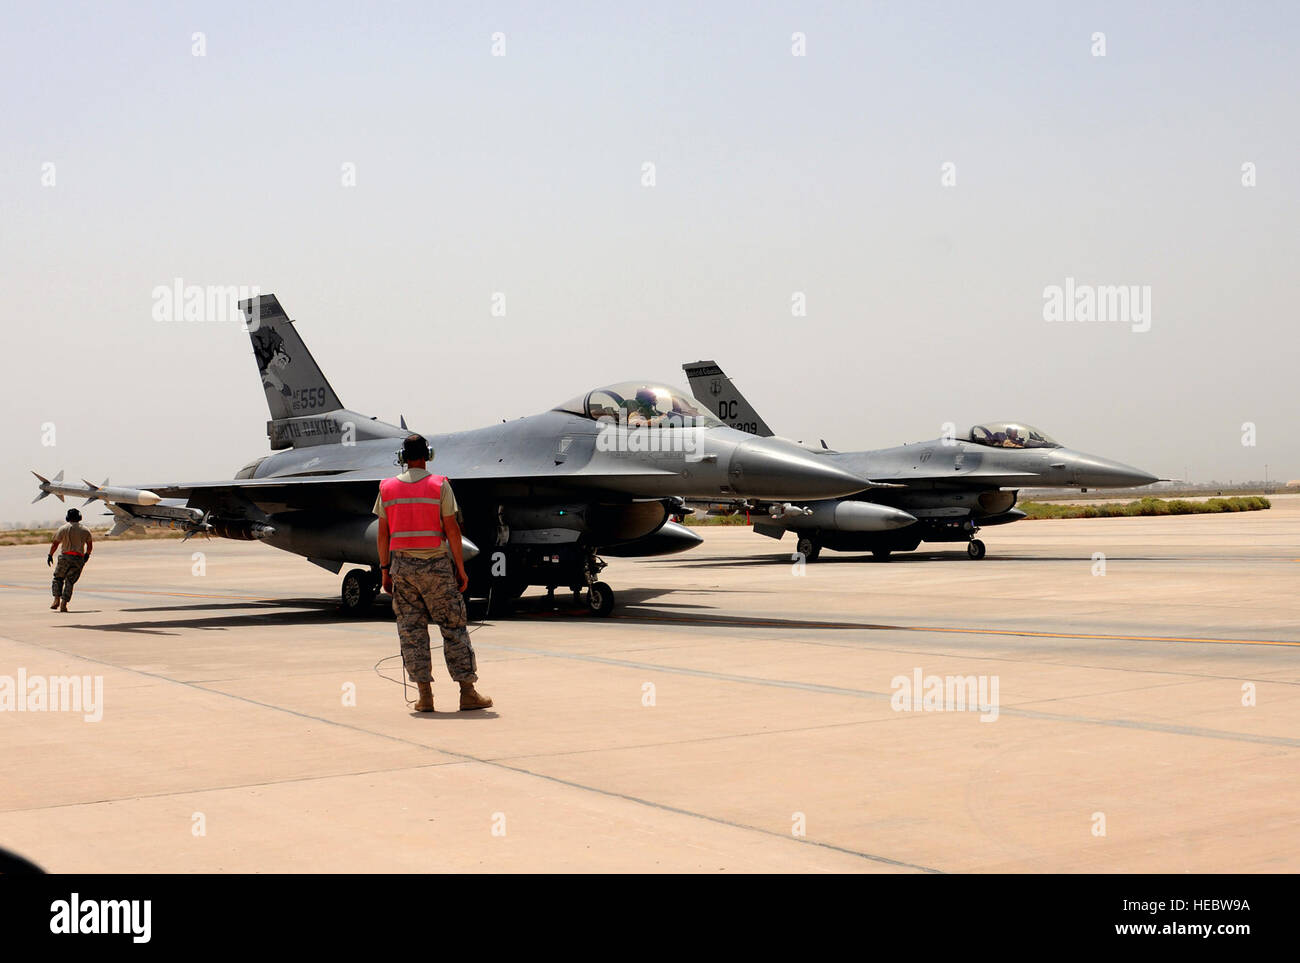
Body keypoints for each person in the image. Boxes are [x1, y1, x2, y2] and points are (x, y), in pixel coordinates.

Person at [375, 434, 492, 713]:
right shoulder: (440, 485)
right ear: (428, 454)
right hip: (437, 567)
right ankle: (467, 693)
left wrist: (384, 570)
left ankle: (425, 696)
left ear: (403, 457)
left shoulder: (387, 488)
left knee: (412, 631)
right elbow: (452, 529)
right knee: (453, 628)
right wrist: (461, 569)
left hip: (402, 568)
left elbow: (383, 533)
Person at [47, 508, 92, 612]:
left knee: (58, 578)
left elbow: (55, 544)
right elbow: (89, 546)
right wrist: (87, 555)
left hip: (65, 557)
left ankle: (56, 600)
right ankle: (64, 604)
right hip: (78, 558)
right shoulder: (85, 530)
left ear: (68, 518)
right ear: (79, 517)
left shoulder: (62, 529)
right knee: (70, 581)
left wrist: (50, 555)